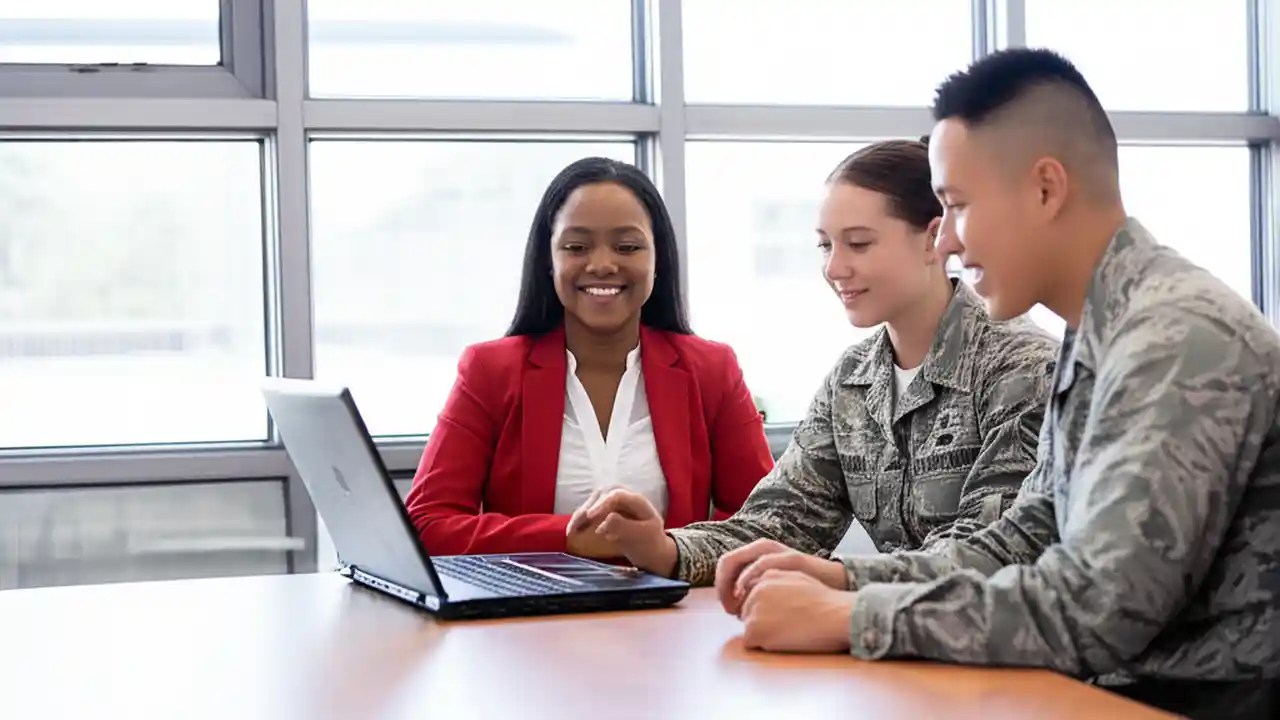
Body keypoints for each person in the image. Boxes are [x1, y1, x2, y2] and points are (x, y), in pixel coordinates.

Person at [711, 49, 1279, 720]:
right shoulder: (1103, 328)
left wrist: (851, 615)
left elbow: (1094, 609)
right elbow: (1021, 541)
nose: (947, 242)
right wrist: (842, 578)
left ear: (1045, 189)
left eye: (957, 206)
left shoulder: (1173, 336)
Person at [567, 139, 1058, 584]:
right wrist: (663, 548)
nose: (834, 267)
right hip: (893, 639)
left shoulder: (1023, 368)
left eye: (859, 244)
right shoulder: (852, 381)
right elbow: (780, 522)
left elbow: (992, 554)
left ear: (933, 238)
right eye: (826, 244)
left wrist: (837, 580)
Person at [403, 157, 774, 559]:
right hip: (534, 600)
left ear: (658, 260)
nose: (602, 265)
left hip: (674, 599)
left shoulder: (712, 370)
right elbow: (427, 524)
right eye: (576, 247)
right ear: (549, 260)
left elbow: (766, 524)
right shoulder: (489, 371)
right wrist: (566, 538)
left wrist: (671, 553)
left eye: (627, 247)